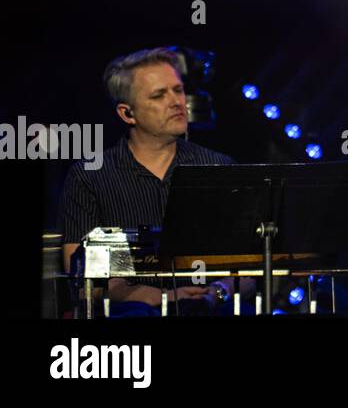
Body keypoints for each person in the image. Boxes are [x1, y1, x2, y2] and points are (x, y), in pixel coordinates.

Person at [59, 47, 238, 313]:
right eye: (158, 95)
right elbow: (83, 275)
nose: (177, 101)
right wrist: (153, 296)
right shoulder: (89, 176)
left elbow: (251, 267)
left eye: (177, 90)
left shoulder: (219, 167)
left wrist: (219, 292)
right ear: (127, 113)